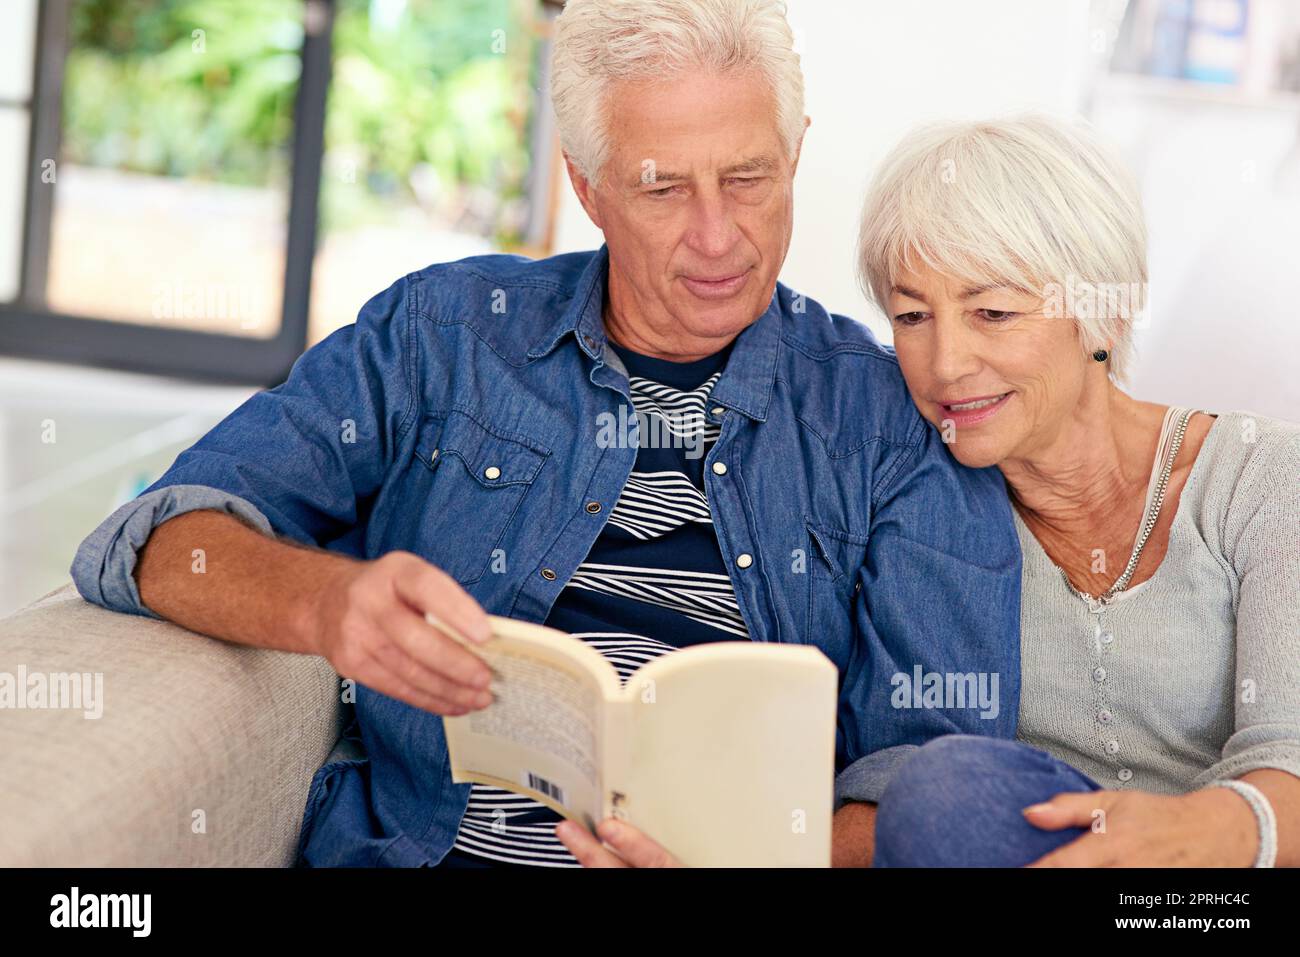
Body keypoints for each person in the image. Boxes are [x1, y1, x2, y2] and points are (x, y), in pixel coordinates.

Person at [70, 0, 1022, 868]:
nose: (718, 236)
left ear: (796, 154)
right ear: (587, 184)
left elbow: (928, 786)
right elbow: (155, 537)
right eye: (662, 191)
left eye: (748, 178)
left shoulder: (894, 418)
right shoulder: (442, 338)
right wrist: (327, 603)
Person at [848, 112, 1300, 867]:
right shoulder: (921, 510)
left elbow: (1291, 757)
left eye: (993, 311)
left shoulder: (1260, 477)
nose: (946, 361)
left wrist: (1174, 836)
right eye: (912, 316)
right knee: (944, 793)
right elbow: (902, 796)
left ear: (1104, 312)